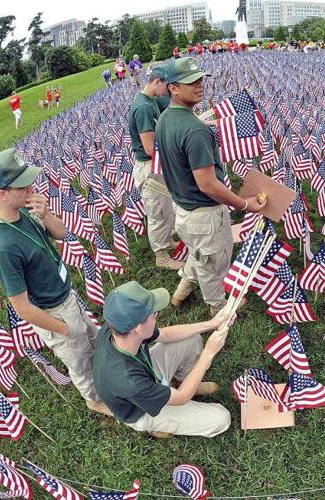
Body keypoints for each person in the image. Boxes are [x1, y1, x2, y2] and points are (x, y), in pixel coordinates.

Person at [0, 148, 112, 417]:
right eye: (22, 185)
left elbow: (62, 234)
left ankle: (109, 374)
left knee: (97, 340)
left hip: (67, 296)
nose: (31, 187)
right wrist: (63, 329)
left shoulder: (28, 212)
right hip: (53, 313)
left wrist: (46, 214)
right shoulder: (4, 248)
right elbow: (21, 307)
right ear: (2, 195)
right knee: (80, 361)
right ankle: (95, 399)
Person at [156, 57, 266, 316]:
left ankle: (182, 290)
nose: (199, 85)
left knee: (199, 253)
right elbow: (208, 185)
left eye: (200, 79)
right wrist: (245, 205)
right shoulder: (195, 130)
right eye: (190, 82)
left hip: (182, 209)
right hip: (205, 215)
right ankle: (219, 309)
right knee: (214, 265)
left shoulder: (165, 119)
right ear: (173, 88)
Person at [93, 280, 233, 438]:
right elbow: (181, 398)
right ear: (138, 329)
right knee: (221, 418)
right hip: (142, 410)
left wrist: (211, 324)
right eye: (153, 314)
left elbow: (164, 335)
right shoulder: (129, 381)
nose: (157, 315)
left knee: (192, 339)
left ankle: (182, 383)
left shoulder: (117, 327)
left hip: (147, 373)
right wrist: (208, 353)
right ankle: (157, 425)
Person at [127, 64, 182, 271]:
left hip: (155, 164)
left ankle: (167, 243)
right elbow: (150, 147)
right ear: (157, 82)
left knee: (166, 206)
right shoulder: (144, 107)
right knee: (158, 212)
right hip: (150, 166)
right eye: (167, 86)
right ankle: (161, 255)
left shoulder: (150, 101)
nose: (168, 91)